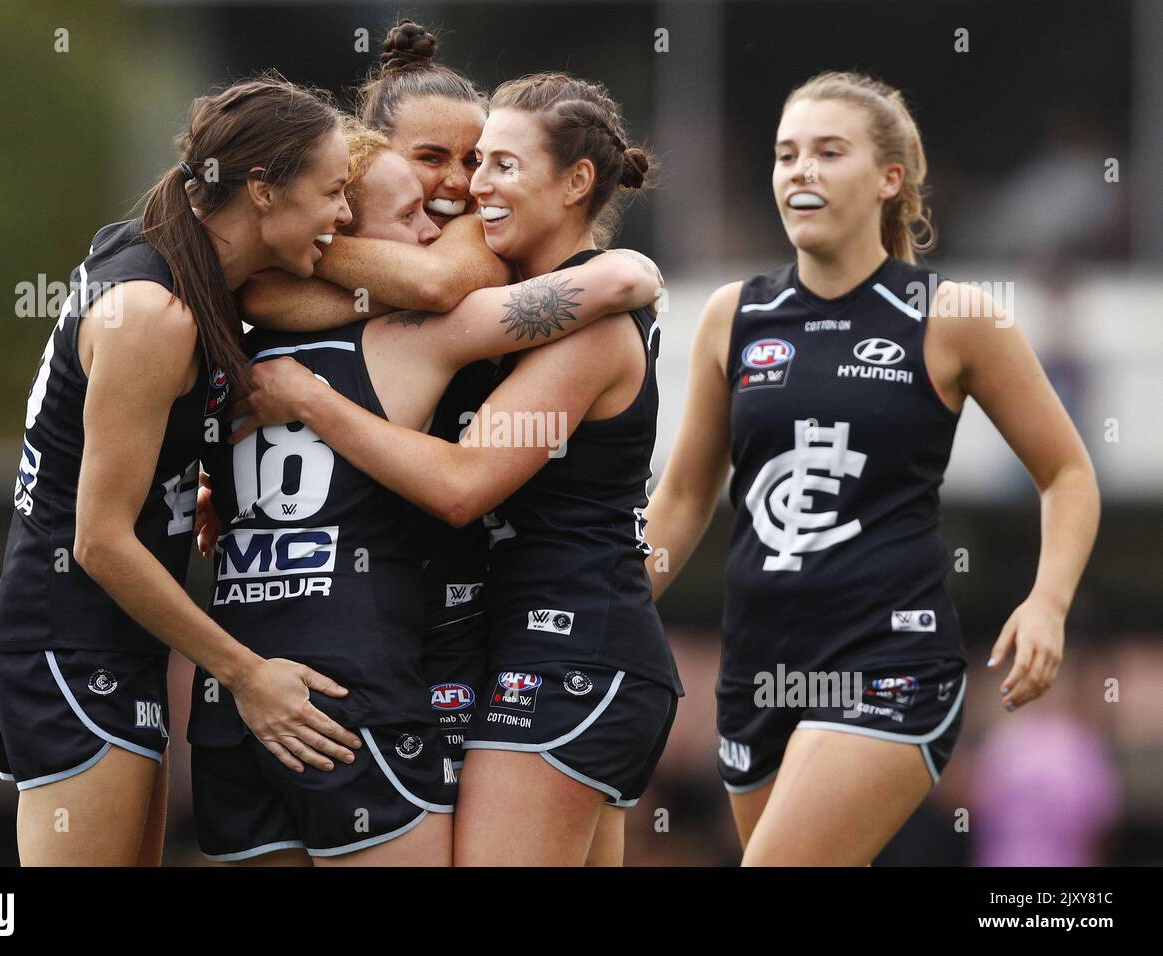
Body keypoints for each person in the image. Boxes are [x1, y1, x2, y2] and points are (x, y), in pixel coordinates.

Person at [641, 71, 1100, 865]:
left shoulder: (955, 315)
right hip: (760, 668)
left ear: (891, 179)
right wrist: (611, 599)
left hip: (889, 659)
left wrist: (1047, 602)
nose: (800, 171)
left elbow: (1067, 473)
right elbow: (683, 496)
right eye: (786, 155)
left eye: (828, 151)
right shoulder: (733, 315)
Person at [232, 73, 680, 867]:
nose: (473, 185)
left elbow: (460, 486)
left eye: (498, 163)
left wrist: (307, 400)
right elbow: (283, 296)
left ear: (577, 181)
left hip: (564, 648)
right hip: (503, 648)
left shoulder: (583, 321)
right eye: (467, 164)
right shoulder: (480, 289)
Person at [0, 73, 361, 866]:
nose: (344, 216)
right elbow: (99, 540)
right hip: (71, 641)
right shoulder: (155, 311)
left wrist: (194, 483)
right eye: (332, 192)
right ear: (260, 188)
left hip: (109, 643)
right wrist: (246, 674)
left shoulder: (162, 256)